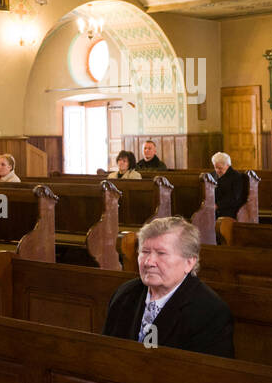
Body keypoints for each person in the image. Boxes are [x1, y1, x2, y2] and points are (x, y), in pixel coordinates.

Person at [101, 217, 233, 358]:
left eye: (161, 253)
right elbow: (105, 353)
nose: (149, 262)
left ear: (189, 262)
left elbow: (208, 376)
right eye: (145, 251)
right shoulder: (124, 294)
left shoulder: (210, 311)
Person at [211, 151, 249, 221]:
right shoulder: (213, 175)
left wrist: (218, 205)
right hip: (214, 208)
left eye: (220, 168)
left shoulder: (236, 177)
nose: (217, 171)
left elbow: (234, 198)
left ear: (227, 165)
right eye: (215, 167)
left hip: (230, 210)